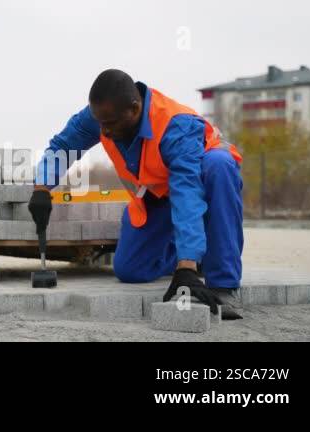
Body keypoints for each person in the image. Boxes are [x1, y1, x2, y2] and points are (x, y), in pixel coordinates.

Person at [28, 69, 244, 320]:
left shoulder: (175, 125)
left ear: (134, 108)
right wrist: (42, 188)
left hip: (202, 187)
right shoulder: (102, 116)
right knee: (130, 269)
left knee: (219, 165)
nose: (104, 131)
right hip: (156, 197)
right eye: (100, 124)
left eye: (110, 124)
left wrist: (186, 266)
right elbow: (63, 146)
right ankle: (200, 253)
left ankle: (223, 284)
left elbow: (187, 192)